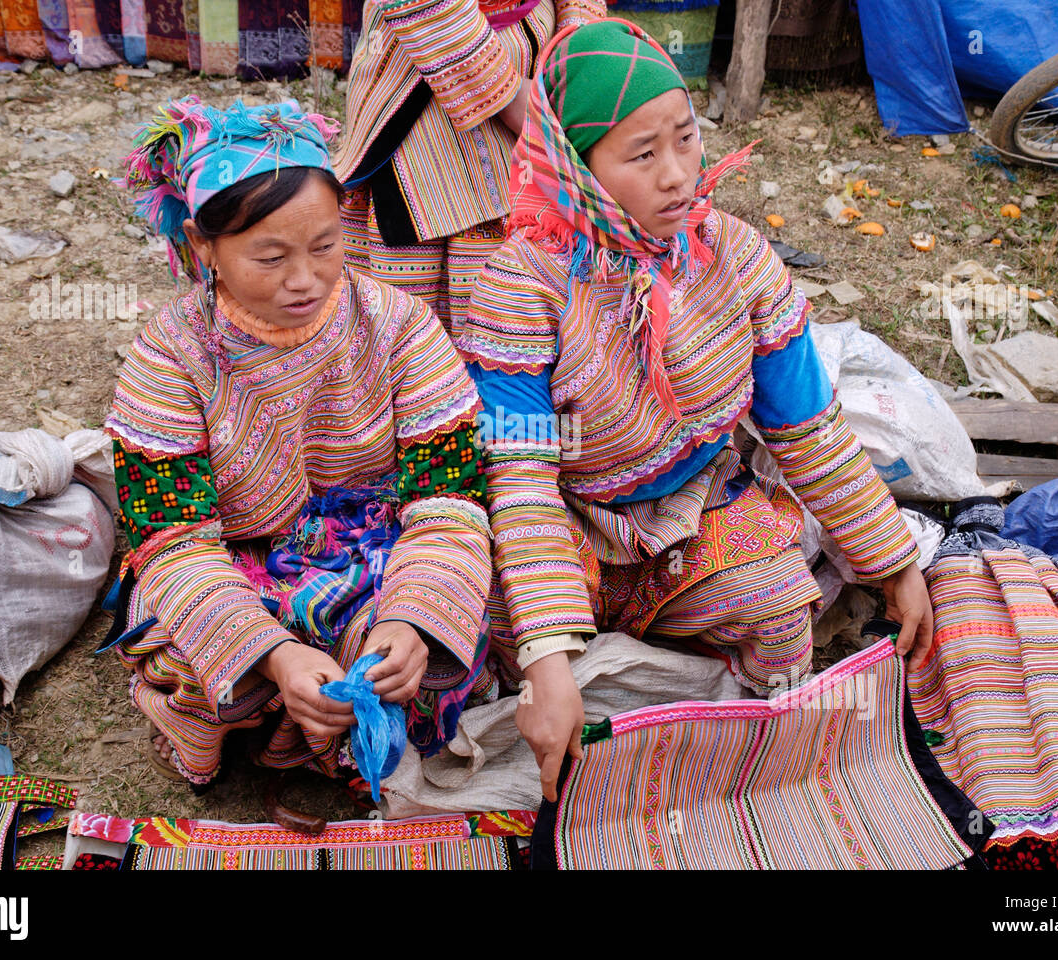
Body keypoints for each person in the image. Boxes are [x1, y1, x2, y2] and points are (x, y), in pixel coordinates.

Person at [456, 20, 936, 800]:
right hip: (571, 522)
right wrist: (547, 655)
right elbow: (523, 478)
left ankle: (709, 754)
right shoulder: (521, 287)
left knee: (781, 613)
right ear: (574, 166)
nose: (679, 174)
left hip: (687, 513)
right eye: (642, 155)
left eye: (685, 138)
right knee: (476, 633)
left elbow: (807, 428)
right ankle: (589, 671)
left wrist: (892, 563)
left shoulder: (737, 258)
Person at [107, 97, 496, 789]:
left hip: (374, 545)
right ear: (204, 247)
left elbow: (449, 495)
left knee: (421, 652)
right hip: (233, 558)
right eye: (270, 255)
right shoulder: (168, 358)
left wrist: (410, 622)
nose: (305, 279)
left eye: (324, 246)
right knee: (200, 666)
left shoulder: (398, 325)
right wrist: (275, 654)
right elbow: (171, 541)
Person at [335, 0, 606, 336]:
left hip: (537, 61)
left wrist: (576, 49)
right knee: (412, 314)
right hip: (421, 62)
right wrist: (509, 96)